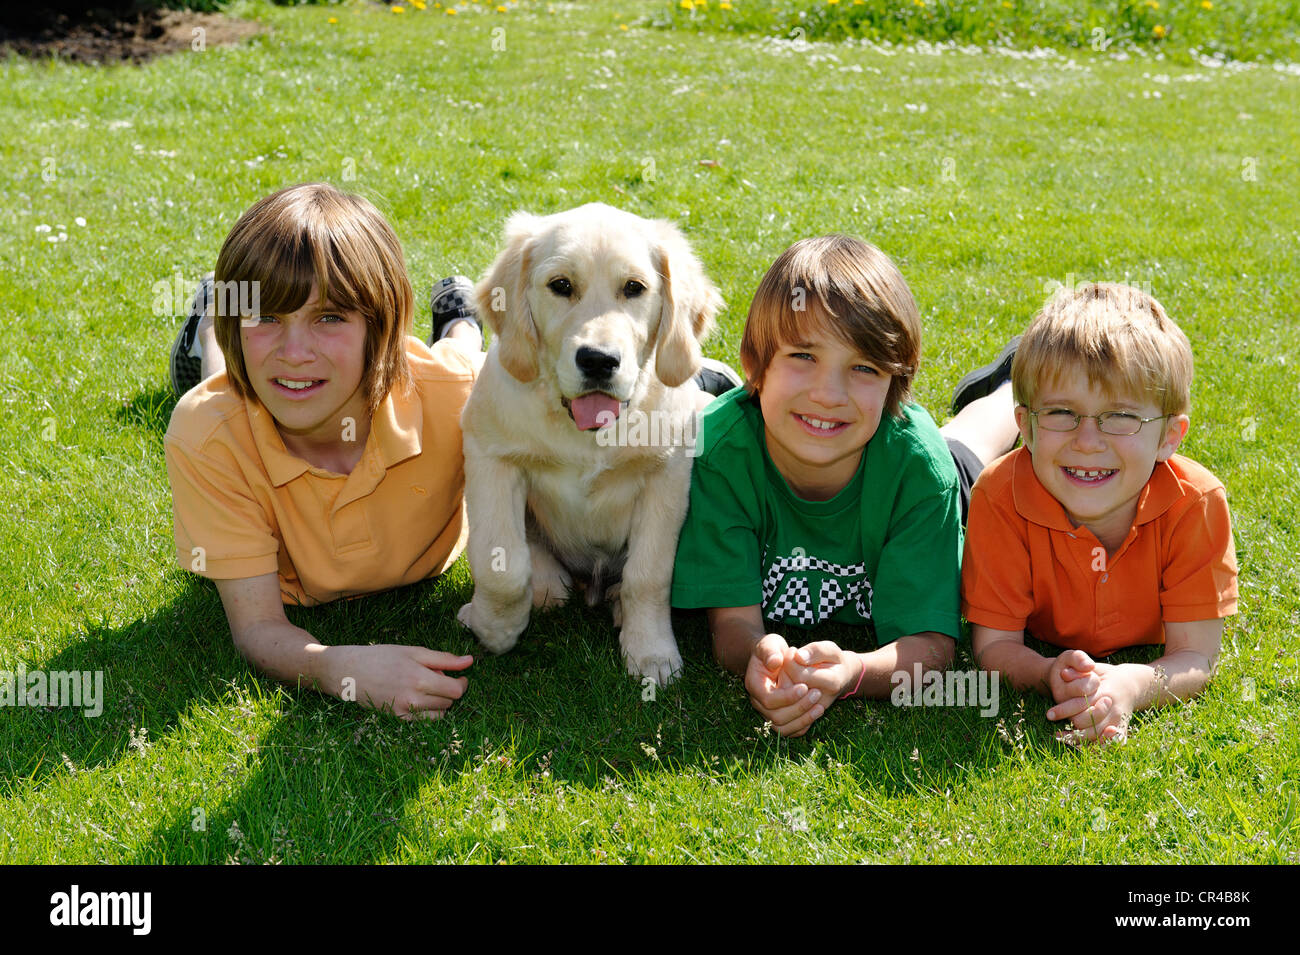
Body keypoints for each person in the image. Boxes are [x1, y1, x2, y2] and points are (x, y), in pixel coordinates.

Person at [670, 235, 1019, 737]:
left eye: (863, 368)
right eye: (802, 357)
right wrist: (758, 654)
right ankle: (706, 382)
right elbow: (731, 625)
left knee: (967, 446)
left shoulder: (920, 473)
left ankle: (1008, 384)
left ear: (893, 386)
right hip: (782, 428)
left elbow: (931, 645)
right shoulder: (722, 454)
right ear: (756, 365)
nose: (828, 394)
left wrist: (853, 673)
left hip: (915, 463)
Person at [165, 182, 486, 720]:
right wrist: (340, 667)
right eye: (264, 316)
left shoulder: (457, 398)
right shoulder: (206, 437)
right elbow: (259, 630)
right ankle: (210, 331)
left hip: (436, 370)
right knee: (226, 394)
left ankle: (459, 315)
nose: (295, 351)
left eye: (330, 317)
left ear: (379, 326)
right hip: (235, 404)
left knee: (463, 353)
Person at [962, 282, 1238, 743]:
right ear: (1026, 424)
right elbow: (994, 646)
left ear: (1170, 436)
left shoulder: (1197, 503)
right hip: (991, 447)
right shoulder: (997, 495)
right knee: (964, 446)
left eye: (1121, 416)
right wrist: (1047, 670)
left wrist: (1132, 684)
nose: (1088, 442)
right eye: (1062, 412)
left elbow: (1197, 656)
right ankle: (1001, 391)